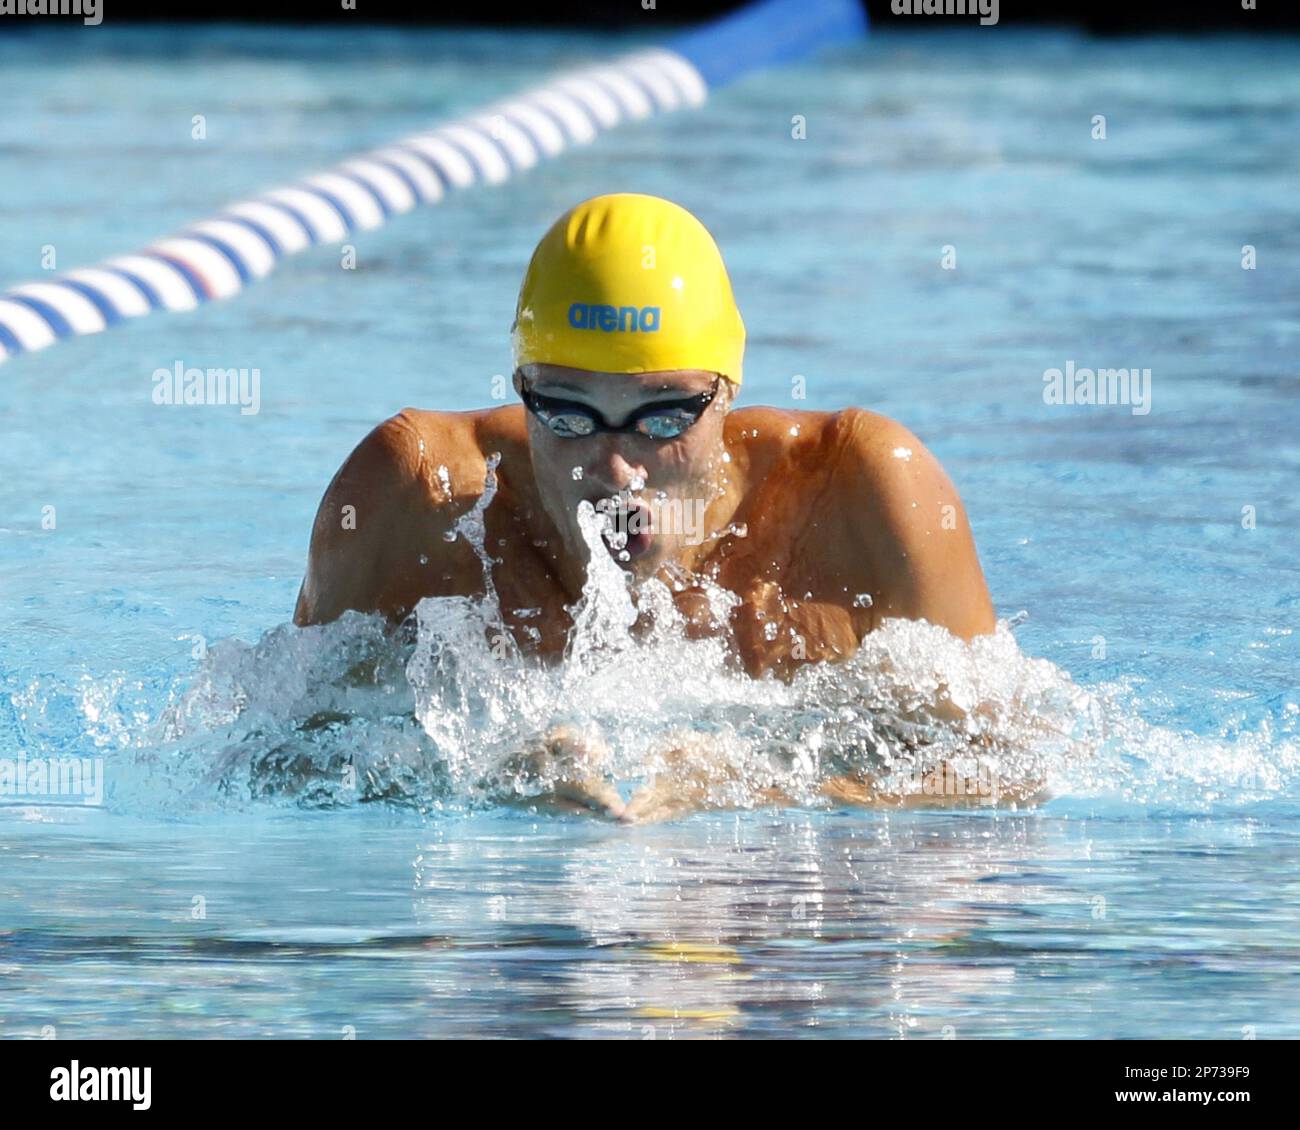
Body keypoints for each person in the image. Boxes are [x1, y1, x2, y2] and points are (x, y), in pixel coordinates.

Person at [294, 192, 1001, 820]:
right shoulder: (418, 494)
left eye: (663, 417)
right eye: (568, 415)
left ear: (725, 392)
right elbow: (272, 761)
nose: (615, 467)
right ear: (522, 388)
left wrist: (765, 789)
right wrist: (472, 780)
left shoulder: (861, 491)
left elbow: (1007, 768)